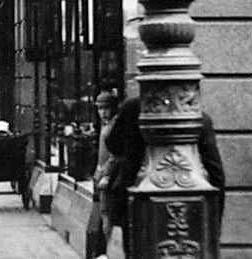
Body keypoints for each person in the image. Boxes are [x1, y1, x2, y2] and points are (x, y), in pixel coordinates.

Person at [102, 94, 225, 255]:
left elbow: (113, 144)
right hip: (188, 207)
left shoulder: (132, 109)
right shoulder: (200, 119)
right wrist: (215, 218)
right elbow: (217, 174)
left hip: (135, 200)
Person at [89, 88, 122, 259]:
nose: (102, 112)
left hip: (110, 179)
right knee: (103, 215)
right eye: (100, 109)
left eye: (106, 108)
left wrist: (107, 175)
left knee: (108, 216)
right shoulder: (105, 125)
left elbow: (115, 154)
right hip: (100, 177)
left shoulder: (114, 125)